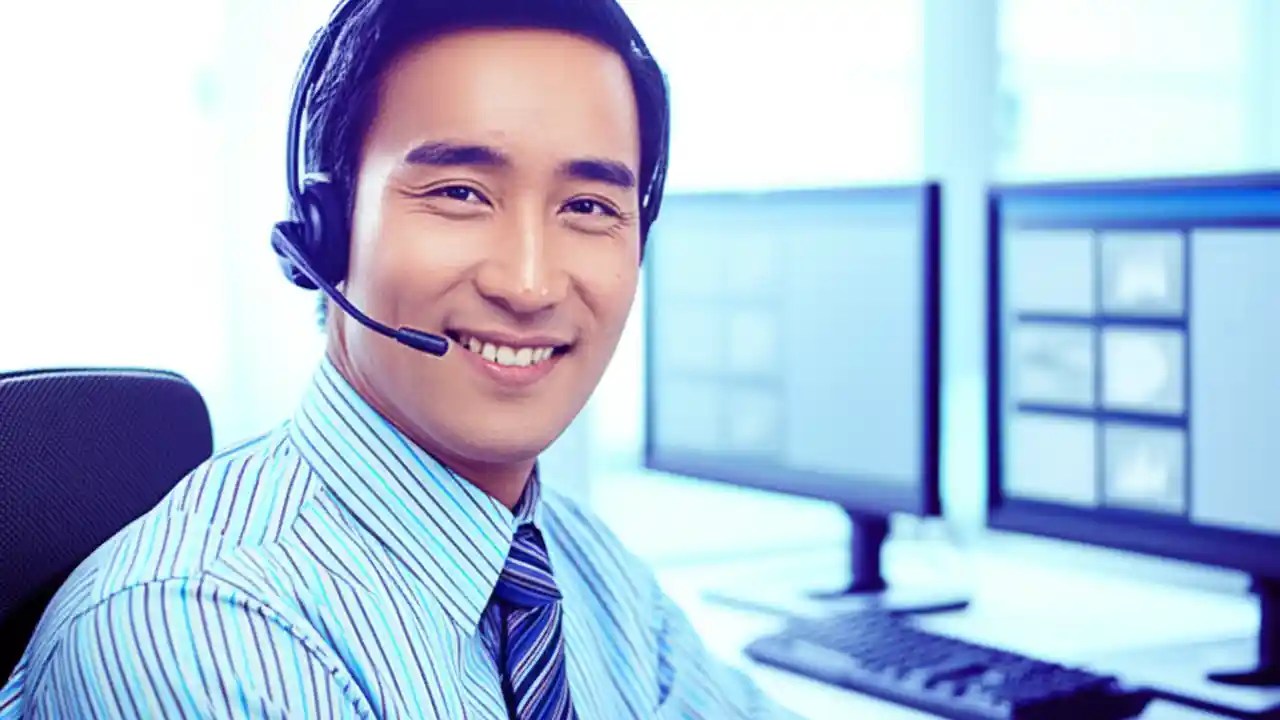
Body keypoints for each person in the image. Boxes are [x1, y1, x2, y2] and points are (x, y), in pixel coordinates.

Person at [0, 0, 801, 718]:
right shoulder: (194, 633)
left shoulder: (591, 570)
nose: (528, 283)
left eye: (589, 207)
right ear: (327, 226)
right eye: (459, 193)